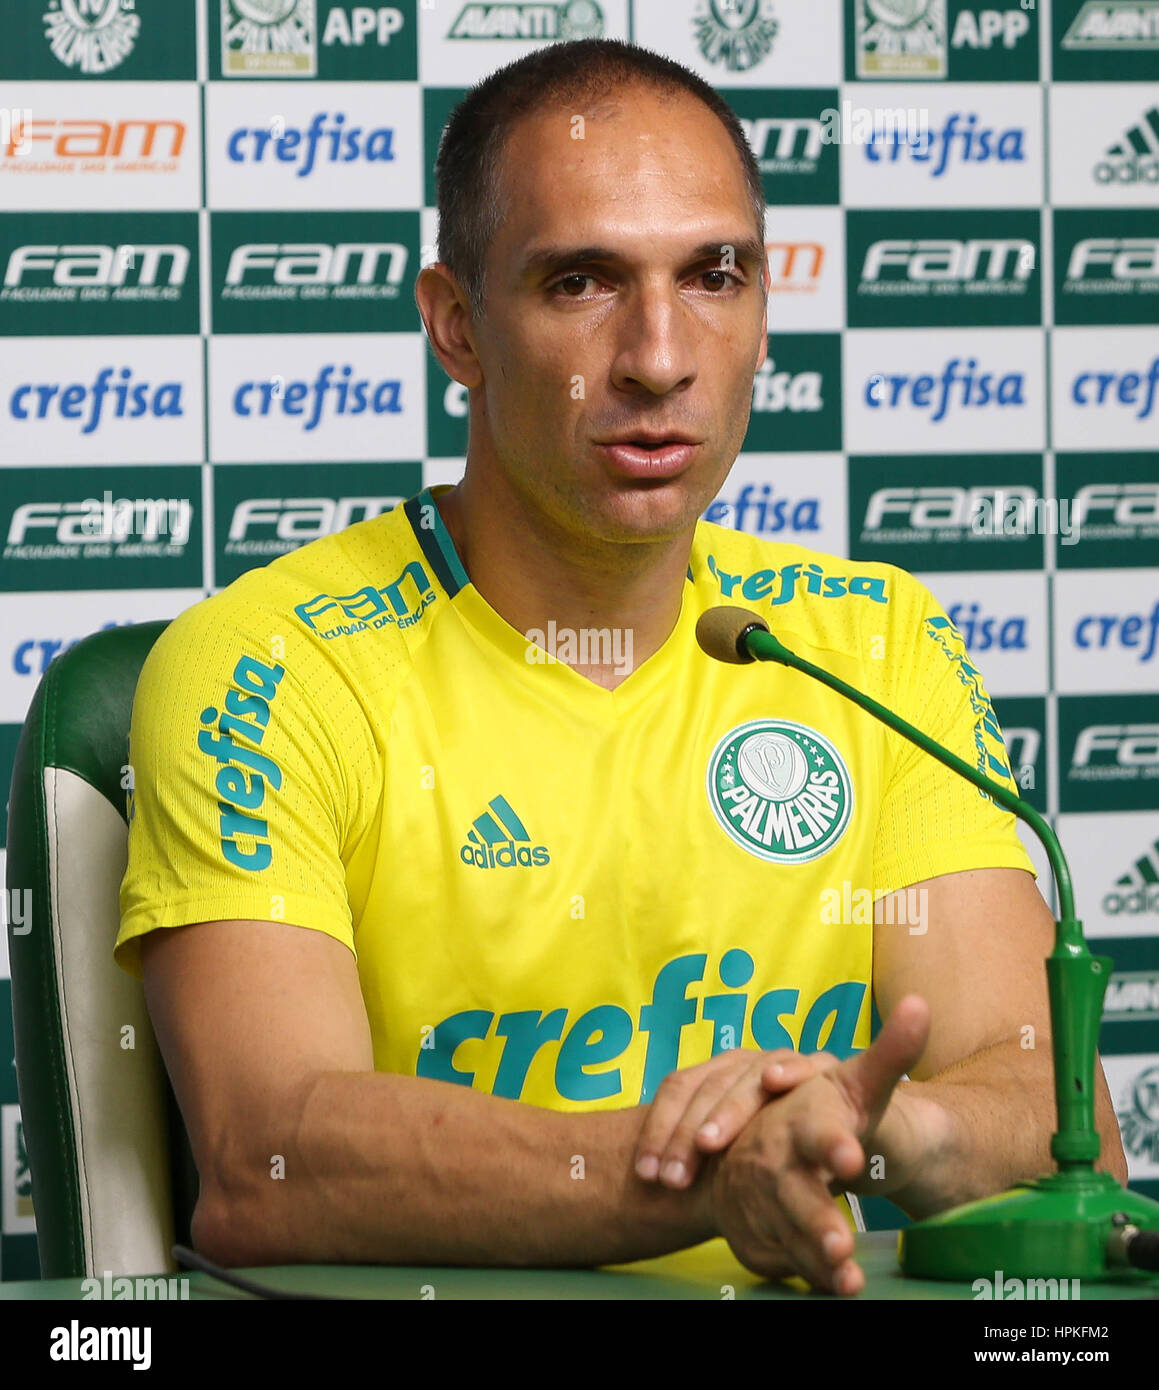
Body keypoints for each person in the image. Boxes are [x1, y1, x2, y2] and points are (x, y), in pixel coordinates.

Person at [116, 38, 1126, 1296]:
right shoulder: (268, 663)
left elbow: (1057, 1119)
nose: (659, 355)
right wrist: (706, 1174)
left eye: (713, 275)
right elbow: (267, 1156)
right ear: (456, 325)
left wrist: (886, 1131)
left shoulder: (871, 641)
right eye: (581, 282)